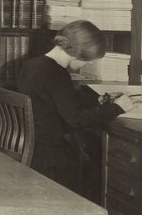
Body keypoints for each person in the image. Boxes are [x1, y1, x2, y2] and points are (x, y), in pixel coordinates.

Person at [16, 19, 134, 194]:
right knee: (95, 168)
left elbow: (59, 99)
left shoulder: (32, 64)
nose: (88, 65)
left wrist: (97, 100)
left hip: (32, 148)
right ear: (78, 53)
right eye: (88, 61)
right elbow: (76, 120)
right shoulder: (57, 73)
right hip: (51, 161)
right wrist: (117, 108)